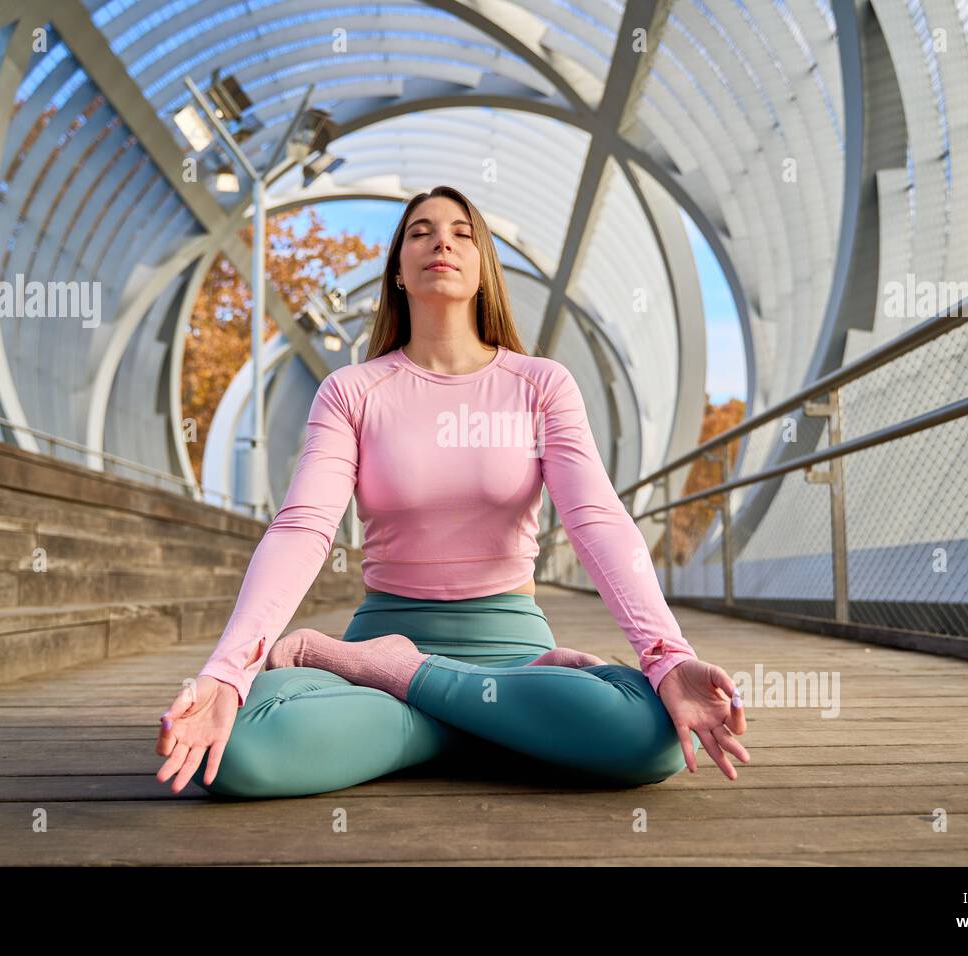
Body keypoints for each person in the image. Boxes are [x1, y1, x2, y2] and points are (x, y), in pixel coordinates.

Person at [155, 185, 749, 798]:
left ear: (484, 268)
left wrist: (668, 657)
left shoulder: (540, 385)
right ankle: (502, 724)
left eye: (463, 232)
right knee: (233, 749)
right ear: (398, 273)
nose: (442, 240)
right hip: (400, 632)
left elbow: (595, 519)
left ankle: (403, 680)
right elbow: (303, 528)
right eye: (420, 231)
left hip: (503, 650)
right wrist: (228, 673)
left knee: (653, 734)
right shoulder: (351, 392)